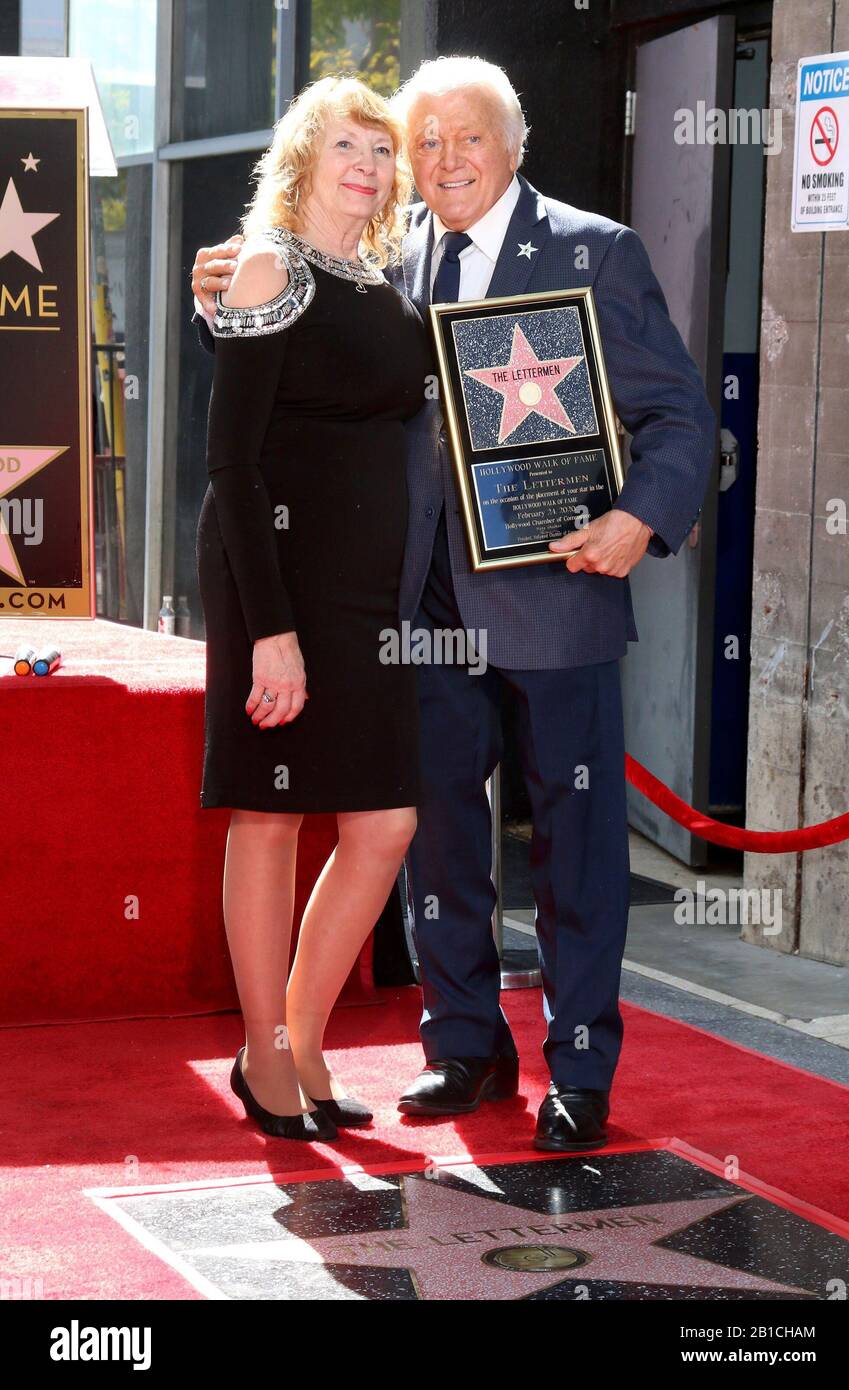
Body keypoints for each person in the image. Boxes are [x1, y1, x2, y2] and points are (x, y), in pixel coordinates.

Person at [191, 57, 717, 1153]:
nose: (436, 161)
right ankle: (461, 1045)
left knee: (574, 842)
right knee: (430, 838)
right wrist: (227, 292)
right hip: (414, 608)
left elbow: (675, 416)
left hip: (560, 593)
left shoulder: (593, 250)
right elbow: (293, 357)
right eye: (415, 142)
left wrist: (639, 518)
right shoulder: (395, 255)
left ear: (513, 145)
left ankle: (577, 1064)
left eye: (460, 139)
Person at [195, 75, 431, 1142]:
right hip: (276, 582)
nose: (368, 167)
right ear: (302, 156)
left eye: (381, 152)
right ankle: (268, 1051)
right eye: (347, 144)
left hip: (366, 589)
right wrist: (271, 627)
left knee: (384, 820)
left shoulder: (379, 278)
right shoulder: (267, 265)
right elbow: (230, 463)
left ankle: (296, 1031)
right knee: (272, 810)